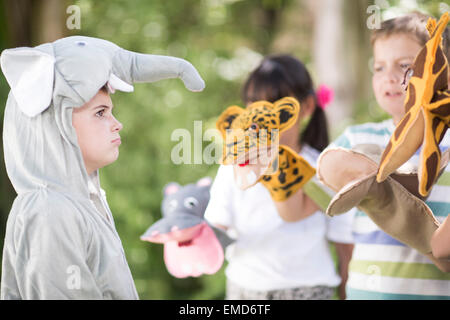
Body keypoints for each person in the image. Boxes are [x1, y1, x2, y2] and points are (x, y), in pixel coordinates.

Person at [0, 36, 204, 299]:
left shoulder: (80, 201)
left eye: (111, 112)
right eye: (100, 113)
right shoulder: (50, 210)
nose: (117, 124)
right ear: (55, 125)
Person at [204, 54, 354, 300]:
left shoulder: (324, 168)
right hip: (244, 290)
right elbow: (215, 229)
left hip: (309, 291)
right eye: (253, 104)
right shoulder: (233, 167)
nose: (262, 118)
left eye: (274, 104)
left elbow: (345, 246)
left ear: (305, 107)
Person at [328, 12, 450, 299]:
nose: (391, 78)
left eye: (406, 66)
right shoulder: (357, 139)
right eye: (379, 67)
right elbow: (326, 179)